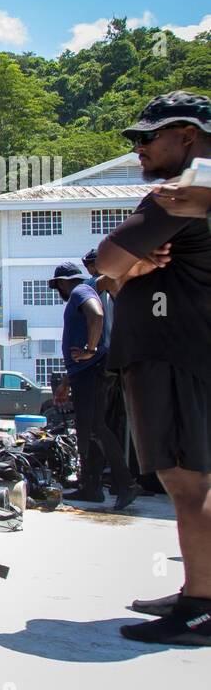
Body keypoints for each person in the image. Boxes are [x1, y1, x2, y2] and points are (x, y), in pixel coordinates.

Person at [95, 90, 211, 646]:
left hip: (175, 354)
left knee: (189, 483)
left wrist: (124, 267)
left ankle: (203, 606)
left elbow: (106, 260)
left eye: (148, 138)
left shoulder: (186, 193)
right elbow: (108, 273)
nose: (138, 149)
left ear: (187, 136)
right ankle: (197, 588)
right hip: (177, 351)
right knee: (184, 478)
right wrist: (121, 270)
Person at [48, 261, 141, 510]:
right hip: (85, 372)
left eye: (57, 286)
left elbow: (96, 315)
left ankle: (125, 483)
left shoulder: (80, 292)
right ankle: (92, 487)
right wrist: (67, 381)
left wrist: (91, 348)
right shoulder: (88, 290)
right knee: (90, 430)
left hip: (92, 371)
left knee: (96, 428)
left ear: (63, 283)